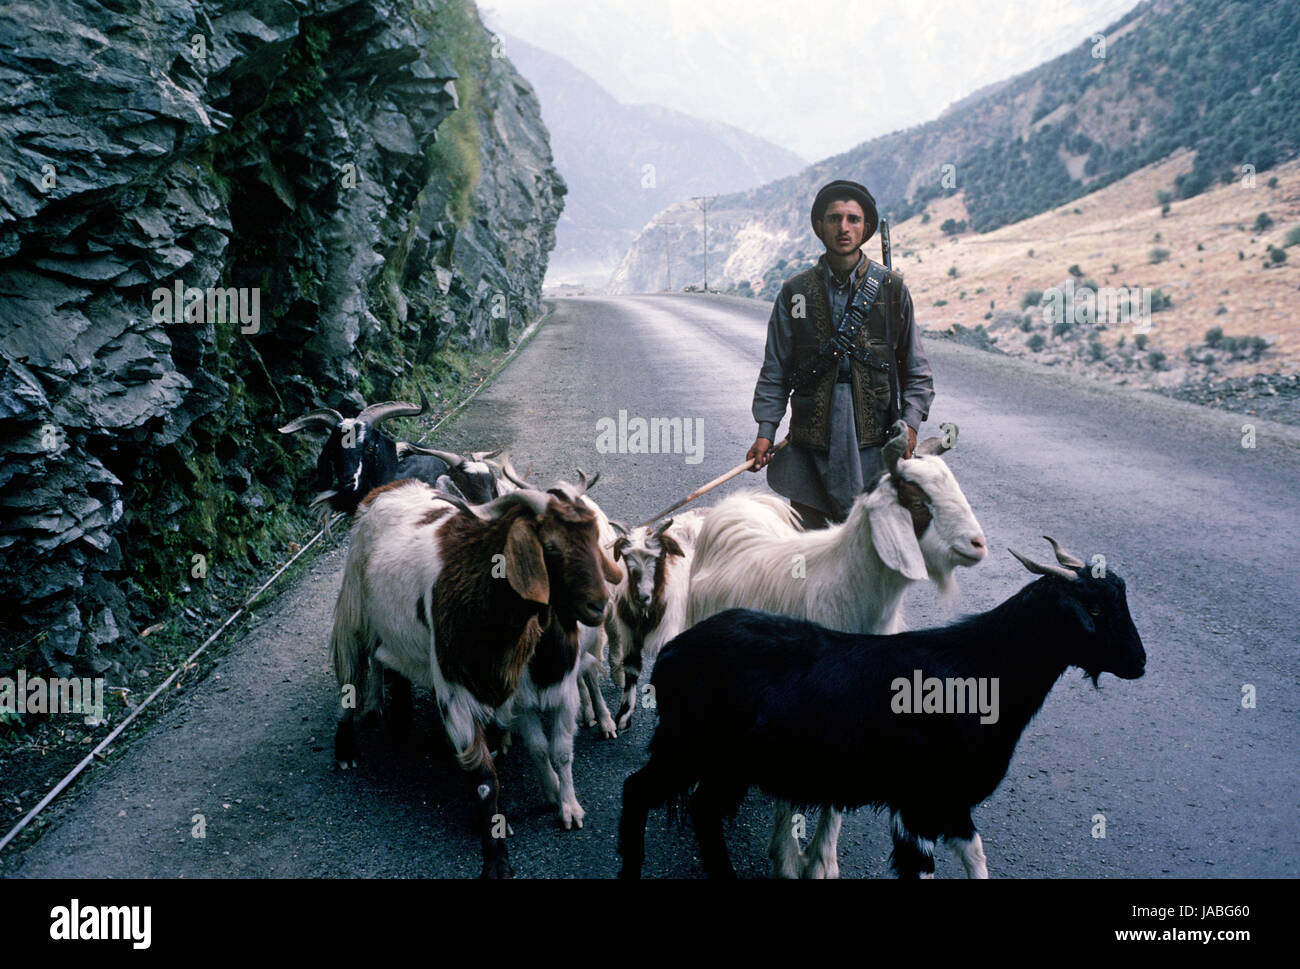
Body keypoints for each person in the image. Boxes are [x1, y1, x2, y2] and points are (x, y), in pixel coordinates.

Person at [746, 179, 934, 528]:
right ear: (819, 226)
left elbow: (916, 371)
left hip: (875, 442)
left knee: (874, 548)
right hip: (810, 443)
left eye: (853, 219)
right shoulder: (795, 293)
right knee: (809, 550)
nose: (843, 227)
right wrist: (766, 431)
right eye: (834, 218)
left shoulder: (892, 289)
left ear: (866, 228)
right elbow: (775, 370)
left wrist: (909, 423)